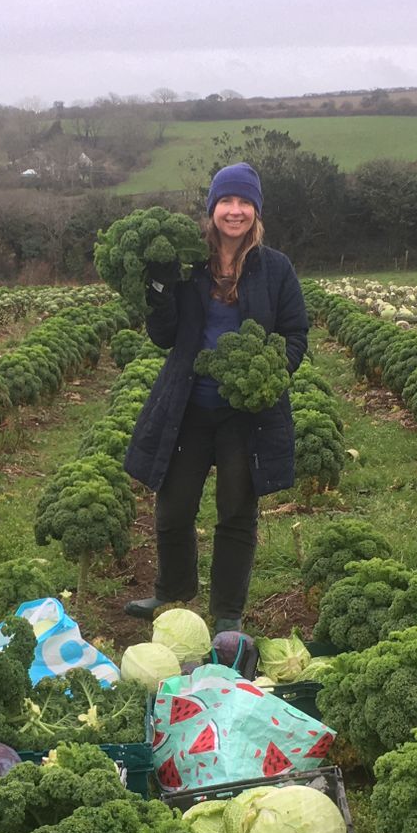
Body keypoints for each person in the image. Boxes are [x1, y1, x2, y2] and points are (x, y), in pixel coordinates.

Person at [122, 162, 308, 634]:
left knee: (236, 509)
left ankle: (227, 609)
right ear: (212, 209)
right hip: (188, 403)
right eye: (227, 201)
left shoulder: (276, 269)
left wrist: (266, 371)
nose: (235, 210)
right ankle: (172, 592)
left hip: (246, 414)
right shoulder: (188, 266)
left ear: (256, 211)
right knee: (174, 506)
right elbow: (164, 336)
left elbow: (294, 334)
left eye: (245, 202)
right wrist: (160, 285)